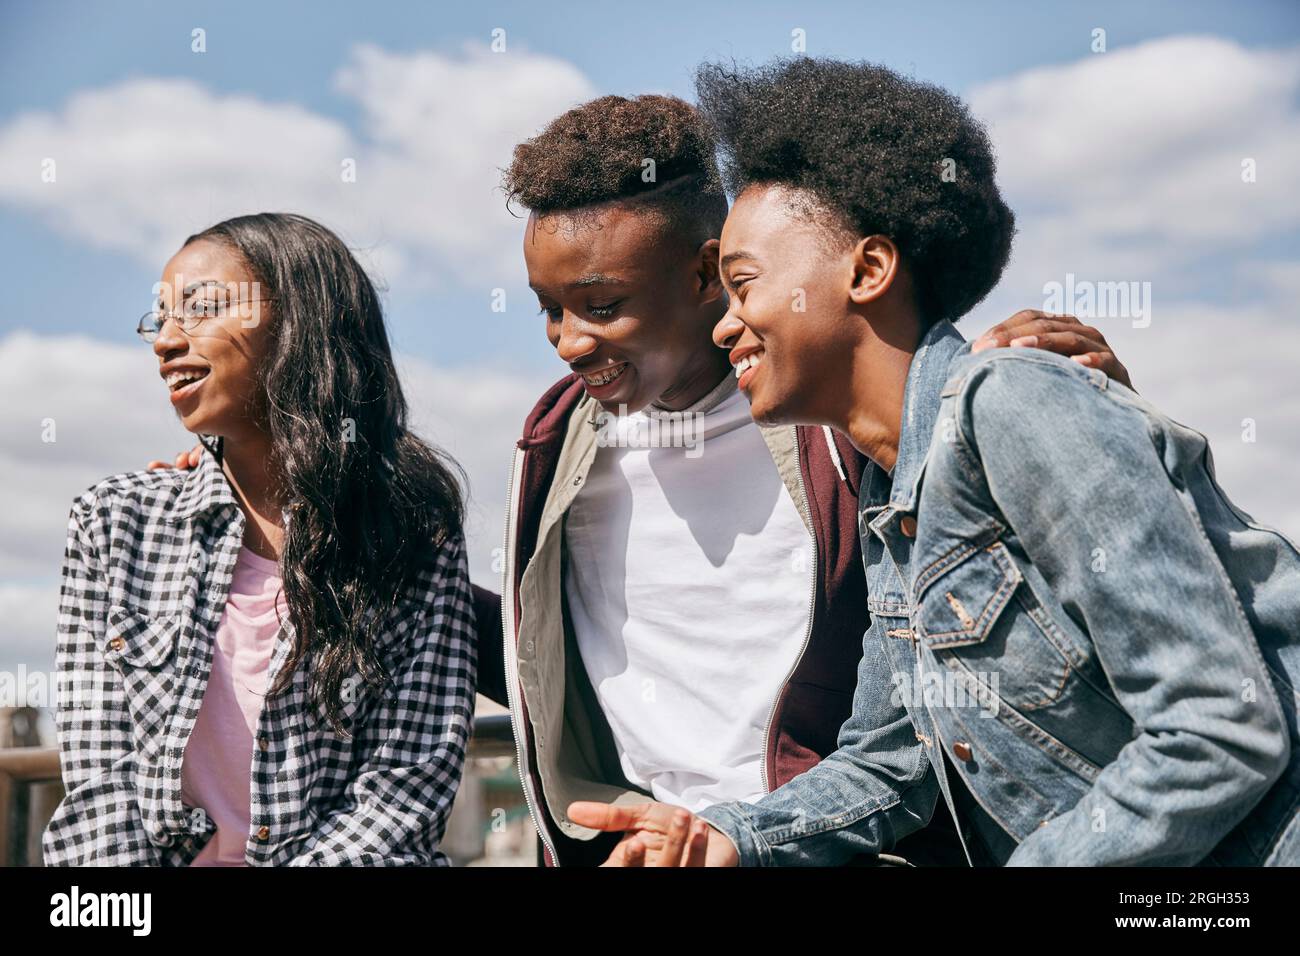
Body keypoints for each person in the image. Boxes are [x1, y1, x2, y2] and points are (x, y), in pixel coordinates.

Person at [151, 98, 1132, 868]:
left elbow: (982, 630)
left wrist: (1043, 398)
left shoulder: (840, 420)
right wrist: (251, 503)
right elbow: (520, 647)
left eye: (603, 305)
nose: (570, 342)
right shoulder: (556, 440)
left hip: (839, 845)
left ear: (711, 273)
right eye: (547, 309)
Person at [574, 57, 1299, 866]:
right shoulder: (893, 499)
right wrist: (726, 836)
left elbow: (1219, 725)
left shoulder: (1010, 401)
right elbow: (892, 764)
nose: (724, 325)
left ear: (869, 269)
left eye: (745, 285)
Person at [44, 213, 477, 866]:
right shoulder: (113, 523)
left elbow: (402, 791)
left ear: (301, 318)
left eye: (201, 309)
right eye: (157, 319)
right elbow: (99, 781)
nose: (165, 340)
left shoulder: (415, 529)